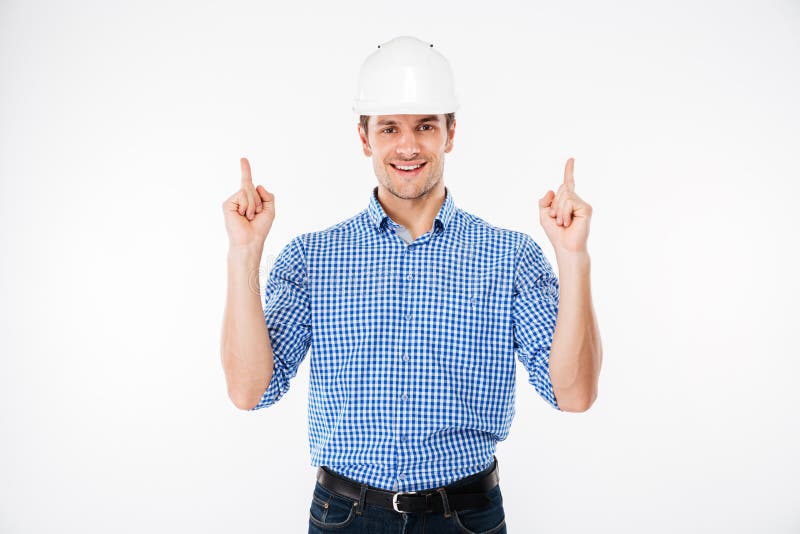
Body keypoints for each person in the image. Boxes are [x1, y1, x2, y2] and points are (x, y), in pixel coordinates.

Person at [220, 35, 602, 534]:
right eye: (389, 128)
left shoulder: (511, 257)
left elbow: (574, 394)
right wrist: (244, 252)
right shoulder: (311, 258)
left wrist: (573, 257)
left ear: (450, 133)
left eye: (425, 126)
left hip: (464, 517)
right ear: (365, 139)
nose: (407, 146)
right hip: (344, 517)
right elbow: (250, 390)